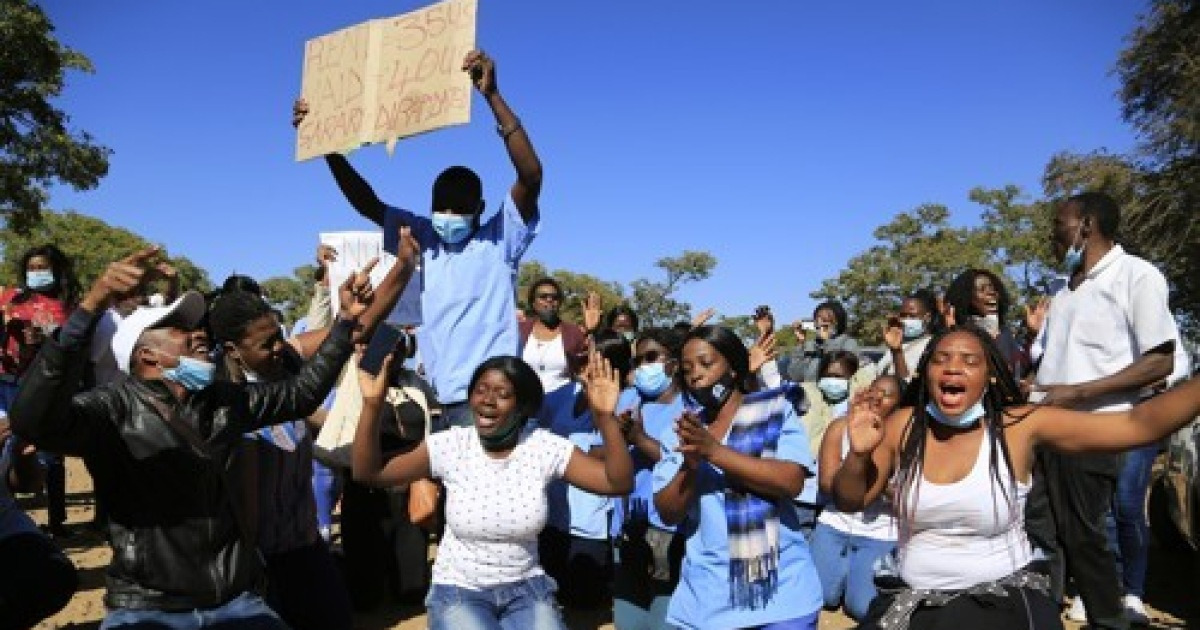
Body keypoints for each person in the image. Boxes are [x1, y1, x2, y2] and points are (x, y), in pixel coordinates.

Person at [10, 247, 371, 629]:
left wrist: (346, 321)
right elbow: (33, 420)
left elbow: (301, 394)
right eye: (178, 329)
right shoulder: (109, 410)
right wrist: (90, 307)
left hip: (236, 602)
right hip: (146, 607)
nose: (198, 333)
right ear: (147, 355)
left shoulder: (223, 402)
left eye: (196, 326)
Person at [834, 325, 1200, 630]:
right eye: (941, 359)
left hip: (1002, 606)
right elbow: (852, 499)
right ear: (926, 372)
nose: (953, 368)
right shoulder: (902, 426)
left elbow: (1139, 424)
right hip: (915, 605)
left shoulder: (1018, 427)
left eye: (969, 360)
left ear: (990, 374)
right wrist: (859, 454)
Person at [294, 48, 543, 429]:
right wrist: (328, 149)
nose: (447, 217)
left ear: (480, 208)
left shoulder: (500, 238)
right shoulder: (422, 236)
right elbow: (368, 203)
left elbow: (531, 176)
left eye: (459, 209)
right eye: (440, 207)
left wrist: (493, 98)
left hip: (494, 400)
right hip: (439, 400)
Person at [351, 351, 633, 630]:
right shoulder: (451, 445)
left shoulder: (544, 447)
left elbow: (617, 483)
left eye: (502, 393)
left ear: (523, 406)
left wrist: (605, 418)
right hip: (460, 589)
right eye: (480, 390)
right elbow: (369, 472)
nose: (487, 400)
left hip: (527, 589)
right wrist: (372, 404)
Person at [1031, 192, 1180, 629]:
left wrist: (1077, 394)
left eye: (1060, 223)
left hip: (1095, 431)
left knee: (1085, 539)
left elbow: (1161, 360)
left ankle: (1109, 619)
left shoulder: (1136, 276)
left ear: (1087, 225)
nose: (1053, 234)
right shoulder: (1061, 290)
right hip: (1047, 429)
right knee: (1043, 534)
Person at [653, 325, 823, 629]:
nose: (696, 375)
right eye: (688, 368)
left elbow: (791, 481)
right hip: (707, 599)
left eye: (706, 364)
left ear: (733, 368)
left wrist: (715, 452)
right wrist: (689, 467)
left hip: (781, 599)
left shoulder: (775, 410)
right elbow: (668, 512)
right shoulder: (679, 432)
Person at [340, 326, 439, 610]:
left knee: (412, 593)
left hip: (408, 493)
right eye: (384, 348)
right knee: (366, 598)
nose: (391, 356)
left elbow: (434, 427)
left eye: (397, 349)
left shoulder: (416, 385)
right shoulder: (352, 385)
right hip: (366, 495)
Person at [538, 330, 635, 610]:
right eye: (583, 355)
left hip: (591, 524)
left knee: (583, 606)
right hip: (555, 517)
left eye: (593, 356)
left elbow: (622, 448)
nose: (584, 360)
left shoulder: (627, 400)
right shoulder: (559, 397)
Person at [0, 244, 78, 538]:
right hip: (7, 382)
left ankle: (57, 521)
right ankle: (10, 515)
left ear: (56, 269)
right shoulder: (9, 299)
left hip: (45, 388)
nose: (36, 273)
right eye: (31, 268)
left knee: (50, 455)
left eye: (42, 267)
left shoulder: (69, 307)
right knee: (9, 448)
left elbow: (72, 349)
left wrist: (45, 340)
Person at [808, 375, 900, 621]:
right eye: (875, 390)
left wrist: (876, 483)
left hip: (880, 533)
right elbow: (827, 484)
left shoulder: (904, 436)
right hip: (835, 523)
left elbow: (910, 500)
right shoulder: (840, 426)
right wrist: (856, 461)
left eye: (888, 394)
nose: (879, 398)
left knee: (862, 608)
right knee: (820, 597)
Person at [0, 415, 77, 628]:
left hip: (5, 522)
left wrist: (23, 459)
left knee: (54, 577)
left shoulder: (12, 401)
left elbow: (28, 484)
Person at [943, 269, 1030, 380]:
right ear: (967, 297)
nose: (991, 293)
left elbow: (1021, 370)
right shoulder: (958, 334)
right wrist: (952, 335)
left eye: (994, 289)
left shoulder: (1005, 333)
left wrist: (1033, 334)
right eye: (982, 289)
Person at [520, 277, 589, 402]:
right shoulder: (519, 331)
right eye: (543, 296)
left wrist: (591, 330)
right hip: (524, 406)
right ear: (533, 302)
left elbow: (585, 367)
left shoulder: (574, 333)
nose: (549, 300)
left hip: (562, 407)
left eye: (555, 297)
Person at [784, 300, 860, 384]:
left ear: (837, 323)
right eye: (817, 320)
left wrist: (827, 342)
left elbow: (836, 371)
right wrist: (800, 343)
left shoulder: (848, 343)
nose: (820, 325)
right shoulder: (811, 345)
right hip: (810, 394)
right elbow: (795, 376)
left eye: (825, 321)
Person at [876, 289, 941, 381]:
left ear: (927, 318)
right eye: (903, 315)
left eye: (912, 316)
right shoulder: (899, 344)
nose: (906, 320)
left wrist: (897, 352)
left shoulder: (932, 346)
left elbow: (907, 384)